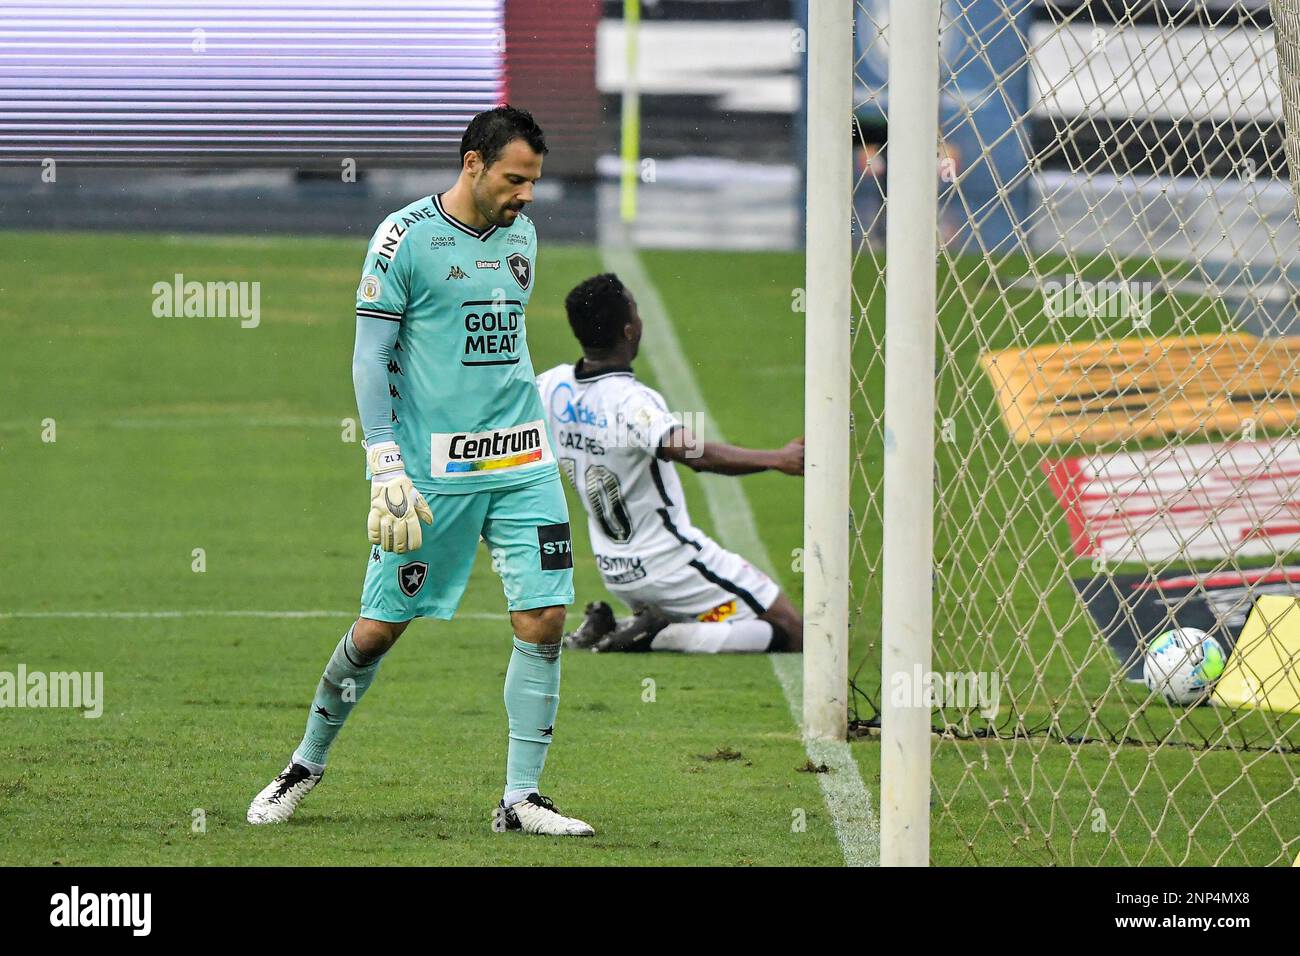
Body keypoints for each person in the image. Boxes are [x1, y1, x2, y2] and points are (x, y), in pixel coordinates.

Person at [247, 106, 593, 837]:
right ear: (473, 163)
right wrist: (383, 460)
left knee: (545, 617)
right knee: (377, 630)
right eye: (514, 178)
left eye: (533, 181)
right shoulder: (403, 240)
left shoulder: (522, 231)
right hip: (433, 476)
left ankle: (520, 798)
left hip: (523, 458)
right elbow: (370, 355)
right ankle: (305, 762)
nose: (527, 194)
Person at [535, 273, 804, 654]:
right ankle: (657, 634)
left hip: (616, 569)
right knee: (792, 631)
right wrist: (777, 459)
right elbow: (695, 454)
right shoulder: (632, 401)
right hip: (672, 562)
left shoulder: (550, 386)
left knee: (721, 616)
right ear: (629, 331)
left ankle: (621, 624)